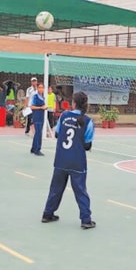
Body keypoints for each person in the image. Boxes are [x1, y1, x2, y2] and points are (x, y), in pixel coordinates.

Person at [41, 91, 96, 230]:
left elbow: (58, 133)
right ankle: (86, 219)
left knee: (56, 189)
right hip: (77, 161)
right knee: (80, 191)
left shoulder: (64, 116)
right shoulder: (88, 121)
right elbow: (87, 144)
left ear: (73, 103)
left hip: (61, 159)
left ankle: (47, 214)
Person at [29, 82, 47, 156]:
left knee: (38, 132)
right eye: (39, 87)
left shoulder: (42, 97)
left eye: (42, 87)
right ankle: (37, 149)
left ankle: (33, 148)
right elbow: (31, 106)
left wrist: (45, 107)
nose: (41, 89)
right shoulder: (35, 96)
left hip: (41, 115)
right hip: (37, 115)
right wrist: (40, 107)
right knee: (39, 132)